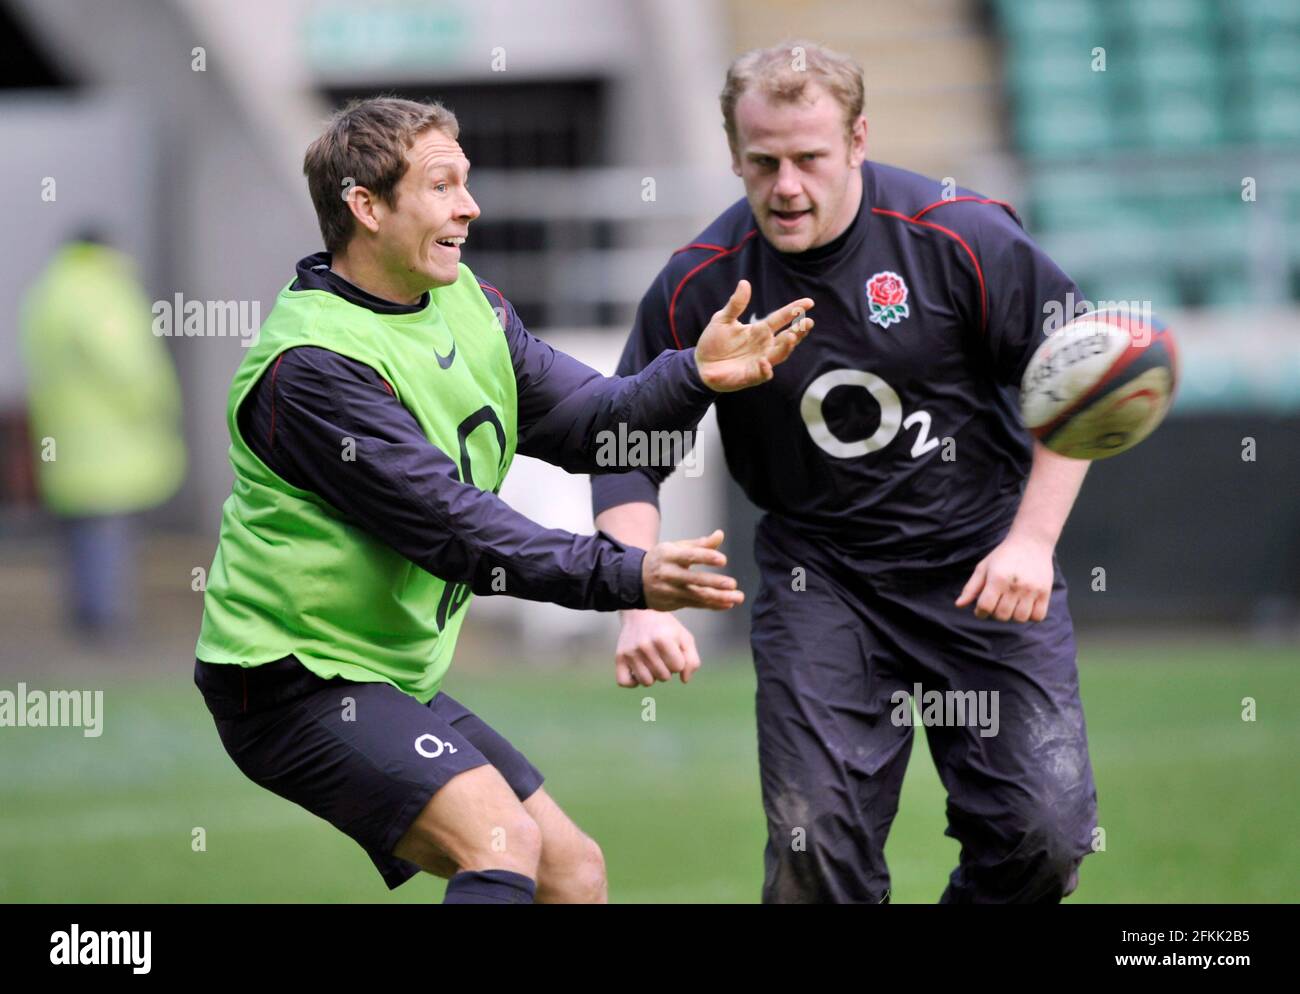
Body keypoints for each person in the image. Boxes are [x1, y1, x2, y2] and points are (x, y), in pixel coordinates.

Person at [192, 96, 813, 904]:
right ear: (366, 207)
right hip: (290, 679)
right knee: (502, 842)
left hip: (383, 673)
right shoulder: (313, 366)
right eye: (444, 185)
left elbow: (596, 425)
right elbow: (458, 532)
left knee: (572, 873)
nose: (470, 206)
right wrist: (627, 576)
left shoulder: (467, 305)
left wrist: (692, 373)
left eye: (468, 182)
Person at [591, 42, 1099, 903]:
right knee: (813, 851)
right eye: (763, 162)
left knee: (1042, 838)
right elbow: (624, 448)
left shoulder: (962, 235)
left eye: (809, 159)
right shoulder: (699, 285)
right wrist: (637, 595)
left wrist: (1032, 544)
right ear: (733, 155)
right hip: (820, 584)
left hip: (983, 569)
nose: (786, 186)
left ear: (858, 140)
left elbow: (1081, 376)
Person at [21, 232, 186, 638]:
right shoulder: (102, 292)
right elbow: (127, 363)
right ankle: (107, 623)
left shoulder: (48, 294)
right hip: (111, 441)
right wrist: (158, 407)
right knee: (108, 534)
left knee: (78, 534)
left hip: (63, 442)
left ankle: (84, 616)